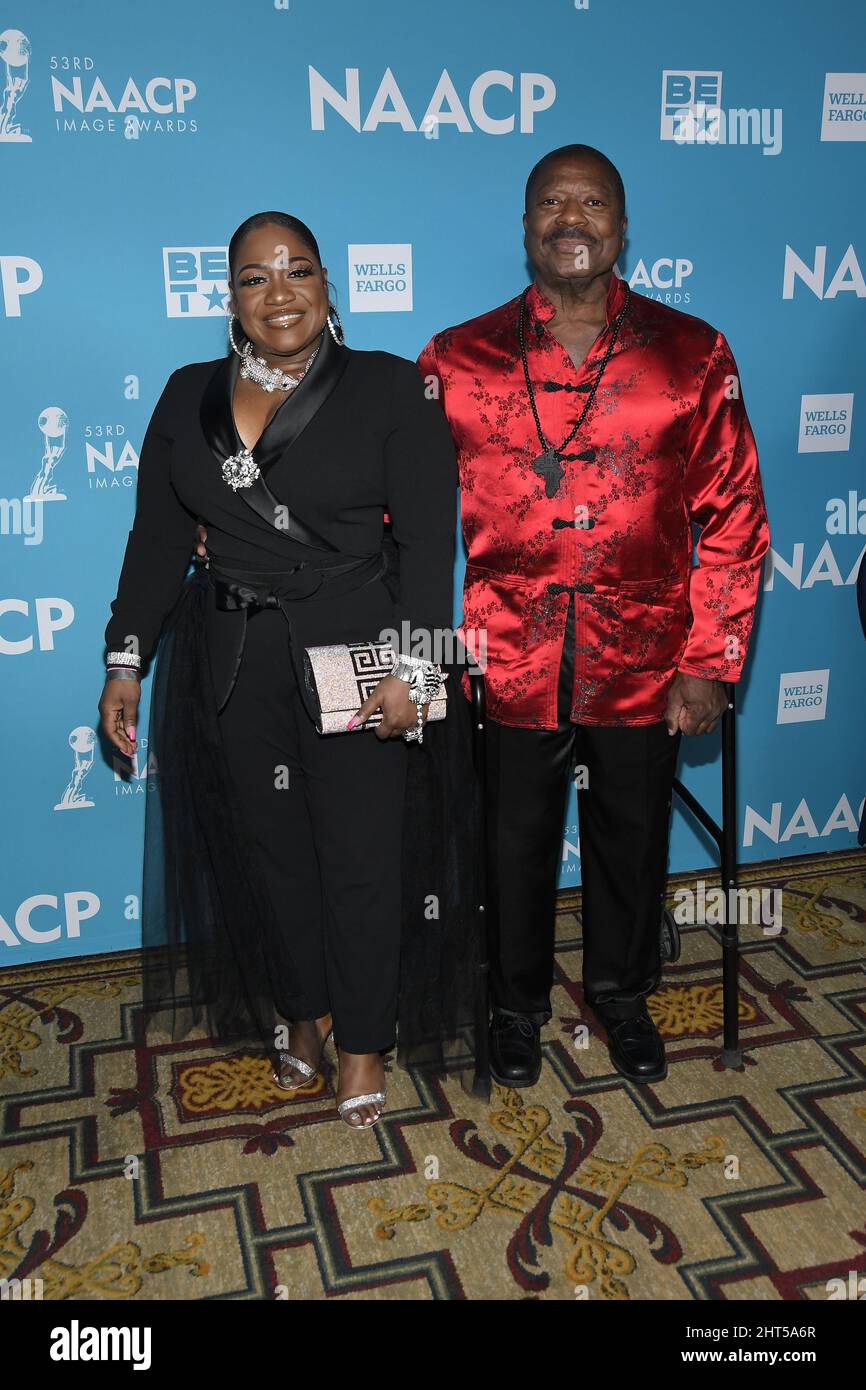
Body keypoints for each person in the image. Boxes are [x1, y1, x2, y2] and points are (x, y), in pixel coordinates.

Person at [99, 211, 479, 1128]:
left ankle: (362, 1040)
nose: (279, 294)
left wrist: (422, 672)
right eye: (255, 277)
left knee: (359, 857)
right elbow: (157, 541)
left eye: (298, 271)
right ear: (227, 296)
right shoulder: (187, 395)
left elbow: (432, 546)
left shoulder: (394, 388)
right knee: (273, 858)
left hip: (360, 654)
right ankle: (302, 1014)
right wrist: (125, 658)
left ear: (328, 286)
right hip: (231, 657)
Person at [418, 144, 770, 1087]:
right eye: (551, 203)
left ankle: (621, 990)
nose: (570, 219)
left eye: (592, 202)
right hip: (505, 653)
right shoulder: (457, 358)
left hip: (648, 652)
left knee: (632, 830)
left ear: (622, 225)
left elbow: (734, 515)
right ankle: (514, 1004)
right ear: (526, 224)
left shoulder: (692, 353)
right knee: (511, 837)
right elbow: (397, 516)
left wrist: (710, 660)